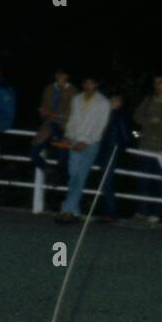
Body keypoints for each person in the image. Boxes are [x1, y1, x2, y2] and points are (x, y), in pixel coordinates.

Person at [54, 75, 110, 223]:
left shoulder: (103, 102)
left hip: (90, 144)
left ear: (96, 84)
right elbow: (72, 120)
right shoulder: (76, 99)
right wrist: (68, 136)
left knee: (80, 176)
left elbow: (101, 126)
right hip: (74, 141)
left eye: (91, 82)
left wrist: (87, 141)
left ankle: (66, 210)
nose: (88, 85)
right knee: (73, 176)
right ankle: (75, 211)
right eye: (86, 82)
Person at [132, 74, 162, 223]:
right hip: (144, 145)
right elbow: (137, 116)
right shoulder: (148, 100)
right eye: (155, 83)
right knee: (143, 180)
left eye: (160, 83)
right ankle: (142, 211)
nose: (157, 86)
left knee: (159, 181)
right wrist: (150, 120)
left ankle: (157, 213)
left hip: (161, 148)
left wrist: (153, 121)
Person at [92, 94, 133, 223]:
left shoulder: (119, 115)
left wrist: (119, 147)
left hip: (111, 149)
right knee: (104, 180)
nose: (112, 101)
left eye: (115, 100)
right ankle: (107, 211)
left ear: (120, 103)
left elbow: (125, 134)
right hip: (105, 149)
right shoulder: (107, 113)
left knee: (106, 180)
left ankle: (111, 212)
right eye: (111, 99)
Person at [29, 69, 73, 175]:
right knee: (33, 153)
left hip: (64, 128)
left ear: (67, 76)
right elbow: (43, 110)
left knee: (63, 157)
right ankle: (49, 172)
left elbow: (71, 115)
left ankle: (59, 178)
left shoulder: (74, 91)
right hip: (48, 126)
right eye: (57, 74)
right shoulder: (48, 89)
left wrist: (51, 114)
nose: (59, 77)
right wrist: (43, 112)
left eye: (62, 74)